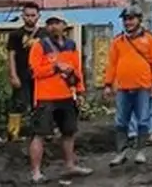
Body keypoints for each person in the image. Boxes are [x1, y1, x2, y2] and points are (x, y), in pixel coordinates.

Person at [27, 15, 91, 184]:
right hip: (45, 97)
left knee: (69, 132)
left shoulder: (71, 45)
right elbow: (35, 71)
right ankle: (36, 172)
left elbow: (77, 71)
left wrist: (80, 91)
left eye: (57, 23)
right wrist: (55, 67)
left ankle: (70, 166)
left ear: (64, 25)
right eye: (50, 24)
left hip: (66, 96)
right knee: (39, 134)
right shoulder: (39, 46)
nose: (54, 27)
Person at [103, 5, 152, 167]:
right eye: (125, 20)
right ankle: (120, 153)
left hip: (144, 86)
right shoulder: (118, 41)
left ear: (139, 20)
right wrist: (108, 84)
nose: (128, 22)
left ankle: (140, 151)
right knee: (121, 121)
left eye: (131, 19)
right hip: (122, 87)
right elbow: (112, 64)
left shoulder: (150, 39)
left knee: (143, 120)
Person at [6, 2, 42, 142]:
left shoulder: (44, 34)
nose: (30, 18)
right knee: (18, 103)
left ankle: (38, 132)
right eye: (27, 15)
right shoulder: (15, 35)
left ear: (38, 16)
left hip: (39, 76)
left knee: (39, 104)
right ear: (22, 16)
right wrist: (13, 75)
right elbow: (11, 55)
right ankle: (13, 133)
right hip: (21, 74)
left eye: (33, 15)